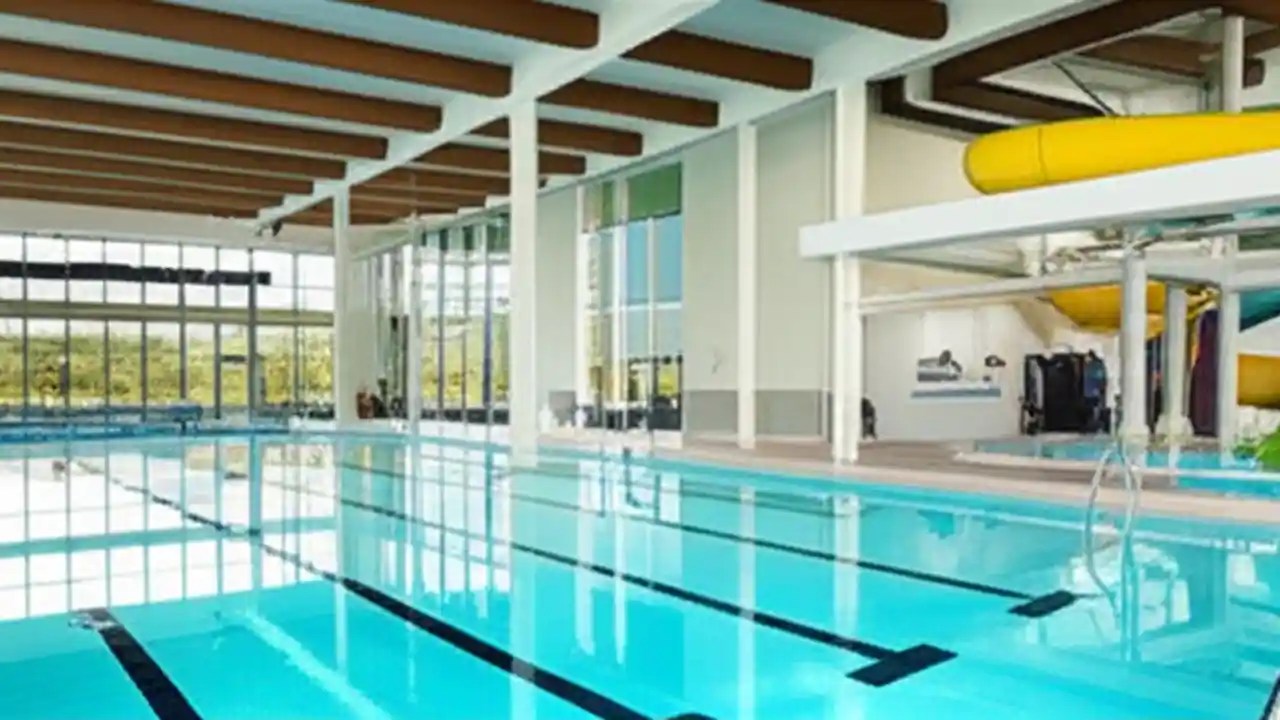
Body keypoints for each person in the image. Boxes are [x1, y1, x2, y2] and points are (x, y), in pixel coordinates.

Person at [1082, 350, 1107, 433]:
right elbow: (1102, 379)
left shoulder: (1091, 366)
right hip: (1093, 391)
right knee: (1095, 408)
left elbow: (1101, 379)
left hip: (1091, 391)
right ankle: (1094, 425)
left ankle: (1093, 425)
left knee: (1093, 408)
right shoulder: (1096, 365)